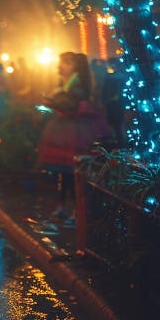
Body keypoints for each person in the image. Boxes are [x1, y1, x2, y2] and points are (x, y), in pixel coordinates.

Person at [36, 52, 103, 220]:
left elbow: (72, 104)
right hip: (64, 130)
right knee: (63, 173)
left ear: (74, 66)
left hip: (73, 133)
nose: (60, 66)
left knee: (72, 172)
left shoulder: (77, 84)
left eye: (65, 63)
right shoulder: (65, 83)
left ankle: (76, 211)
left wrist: (52, 103)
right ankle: (62, 207)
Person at [101, 57, 127, 147]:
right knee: (116, 125)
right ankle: (119, 142)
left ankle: (119, 143)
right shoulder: (118, 77)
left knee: (117, 125)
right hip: (114, 105)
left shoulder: (111, 77)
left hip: (116, 105)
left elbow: (105, 91)